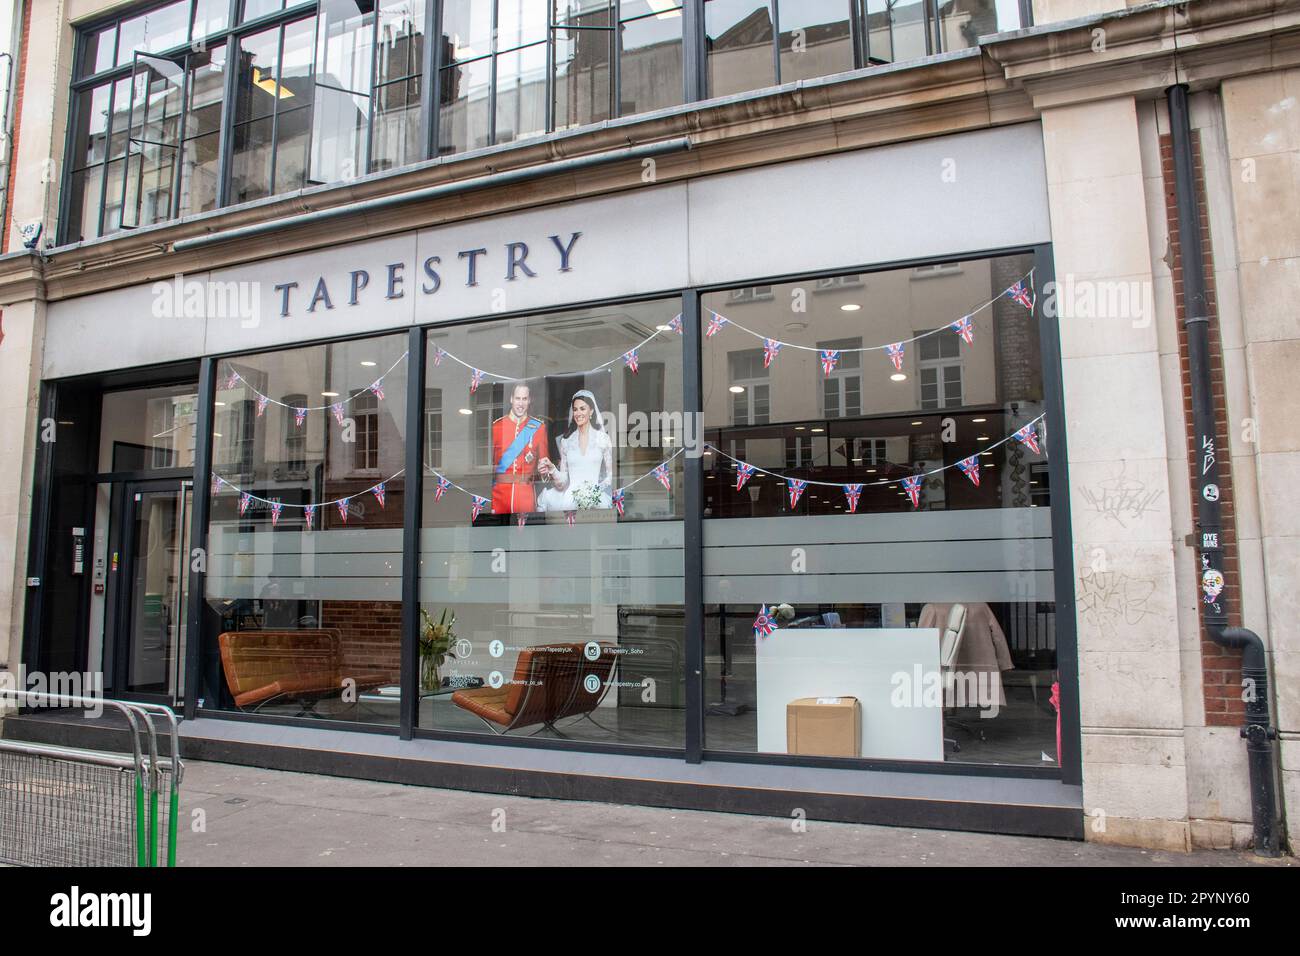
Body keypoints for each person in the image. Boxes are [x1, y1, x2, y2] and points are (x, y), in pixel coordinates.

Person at [536, 389, 613, 512]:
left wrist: (593, 493)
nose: (578, 413)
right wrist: (552, 469)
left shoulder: (603, 439)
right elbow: (563, 481)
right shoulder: (566, 441)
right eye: (575, 409)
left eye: (582, 408)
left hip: (596, 500)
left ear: (591, 411)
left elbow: (610, 476)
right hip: (571, 500)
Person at [490, 382, 549, 514]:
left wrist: (544, 471)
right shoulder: (497, 427)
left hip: (525, 496)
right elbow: (491, 464)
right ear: (511, 399)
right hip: (500, 496)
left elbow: (545, 469)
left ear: (529, 401)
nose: (520, 403)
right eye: (517, 398)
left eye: (524, 399)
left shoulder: (538, 428)